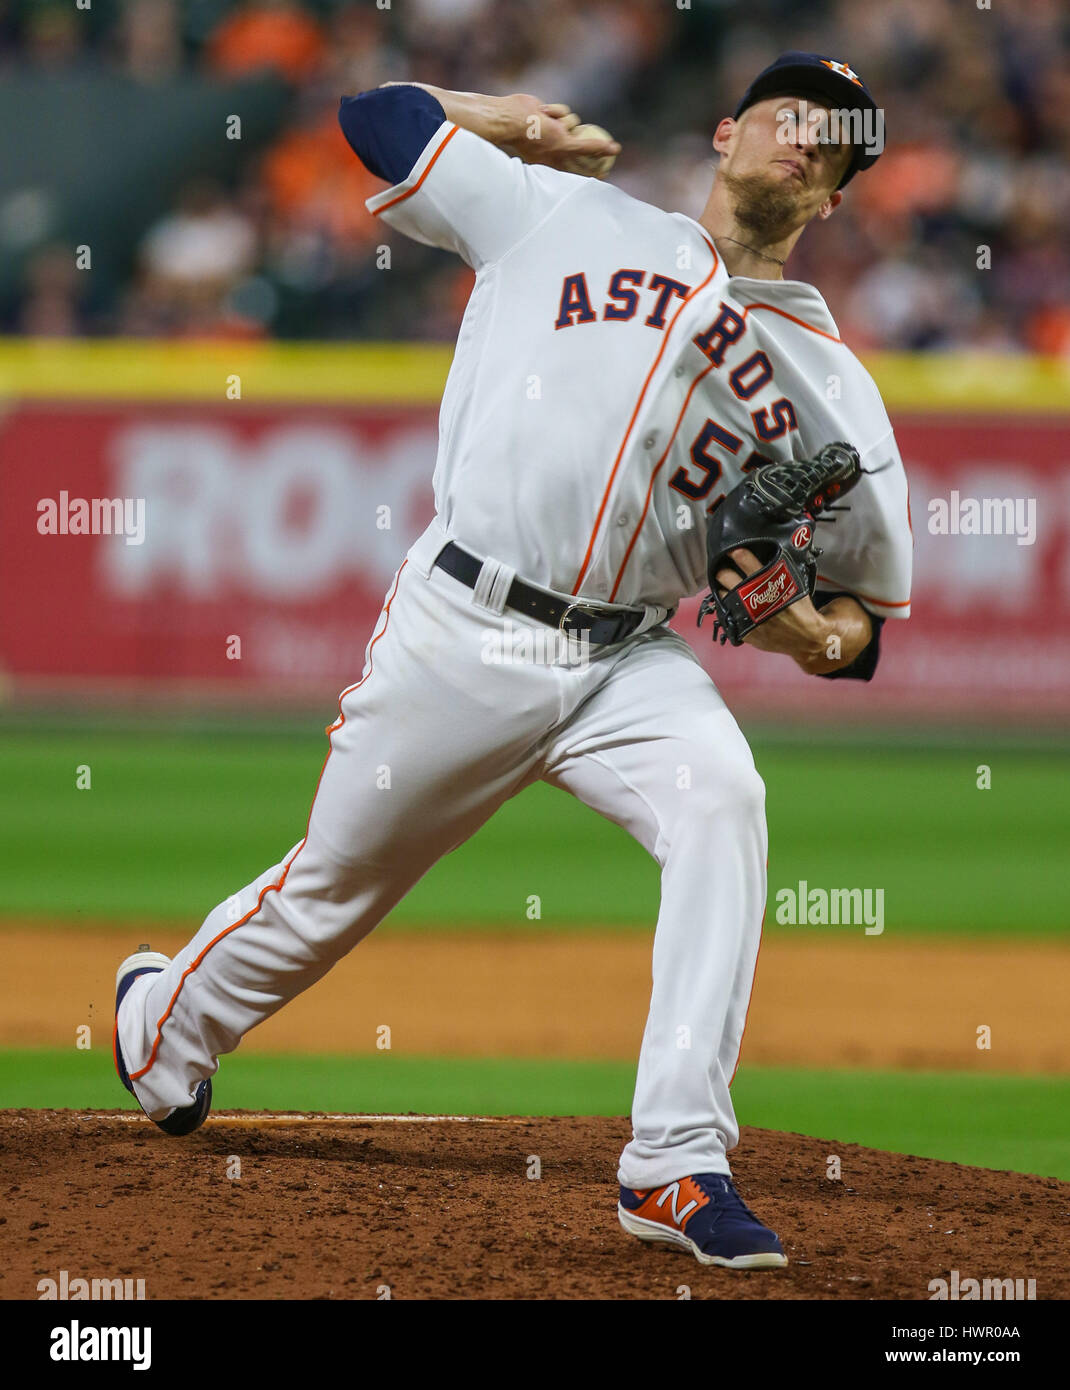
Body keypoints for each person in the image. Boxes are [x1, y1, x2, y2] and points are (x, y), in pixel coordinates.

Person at [114, 52, 911, 1271]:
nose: (804, 140)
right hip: (464, 628)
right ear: (725, 131)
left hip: (625, 662)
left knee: (725, 802)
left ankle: (674, 1162)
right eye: (784, 115)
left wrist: (807, 631)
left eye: (833, 142)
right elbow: (373, 120)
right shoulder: (566, 214)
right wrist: (511, 126)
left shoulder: (832, 395)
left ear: (833, 198)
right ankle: (164, 1021)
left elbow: (860, 620)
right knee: (330, 888)